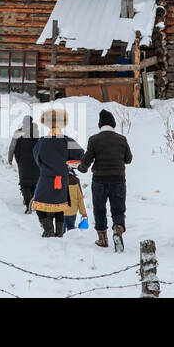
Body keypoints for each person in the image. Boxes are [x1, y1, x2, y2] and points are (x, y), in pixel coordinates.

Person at [78, 109, 133, 251]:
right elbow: (129, 159)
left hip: (99, 181)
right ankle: (118, 229)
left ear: (100, 125)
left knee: (99, 209)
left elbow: (87, 160)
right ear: (113, 125)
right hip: (118, 180)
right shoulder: (122, 139)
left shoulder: (94, 140)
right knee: (118, 209)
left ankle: (102, 239)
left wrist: (82, 168)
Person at [32, 106, 84, 238]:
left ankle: (48, 228)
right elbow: (80, 154)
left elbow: (37, 158)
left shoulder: (42, 142)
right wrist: (68, 164)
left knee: (39, 204)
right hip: (62, 178)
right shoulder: (67, 141)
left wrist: (44, 167)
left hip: (46, 178)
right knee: (60, 205)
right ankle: (59, 232)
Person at [6, 115, 41, 214]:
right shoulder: (36, 133)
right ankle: (33, 201)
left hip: (23, 161)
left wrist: (10, 158)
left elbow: (12, 146)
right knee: (34, 181)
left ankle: (28, 204)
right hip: (35, 161)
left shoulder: (18, 132)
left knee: (25, 182)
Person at [61, 170, 88, 234]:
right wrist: (83, 212)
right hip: (72, 212)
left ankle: (61, 242)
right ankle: (71, 242)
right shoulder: (76, 181)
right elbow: (80, 198)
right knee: (71, 229)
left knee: (61, 230)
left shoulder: (59, 180)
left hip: (61, 211)